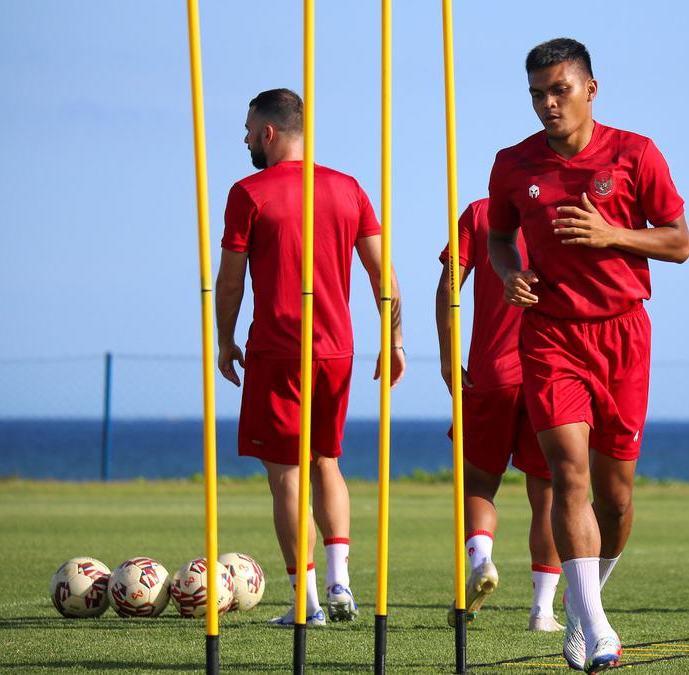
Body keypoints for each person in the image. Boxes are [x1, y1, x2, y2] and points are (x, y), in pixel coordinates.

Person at [487, 39, 689, 672]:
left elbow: (681, 243)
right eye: (537, 95)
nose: (548, 105)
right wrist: (508, 272)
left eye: (559, 91)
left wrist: (612, 234)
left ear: (590, 89)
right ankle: (598, 631)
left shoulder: (636, 153)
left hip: (624, 336)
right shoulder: (513, 164)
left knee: (617, 498)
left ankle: (585, 600)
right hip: (550, 337)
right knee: (566, 474)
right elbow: (497, 237)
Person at [215, 88, 406, 626]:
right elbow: (383, 276)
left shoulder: (247, 193)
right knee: (327, 463)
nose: (246, 138)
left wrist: (224, 338)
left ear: (269, 133)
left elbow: (229, 282)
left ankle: (308, 601)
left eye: (249, 129)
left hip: (277, 349)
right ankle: (341, 582)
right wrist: (393, 341)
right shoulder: (348, 188)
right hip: (336, 350)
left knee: (286, 477)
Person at [436, 198, 564, 632]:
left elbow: (448, 285)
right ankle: (542, 611)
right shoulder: (568, 212)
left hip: (490, 372)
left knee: (478, 483)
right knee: (548, 494)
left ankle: (482, 560)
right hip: (551, 371)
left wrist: (447, 356)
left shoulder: (480, 211)